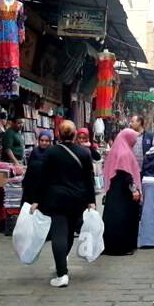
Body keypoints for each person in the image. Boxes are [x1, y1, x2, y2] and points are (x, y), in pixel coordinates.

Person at [32, 121, 96, 288]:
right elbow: (89, 180)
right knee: (68, 234)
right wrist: (91, 201)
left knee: (59, 233)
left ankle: (62, 273)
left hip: (56, 199)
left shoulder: (51, 153)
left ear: (58, 135)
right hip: (77, 199)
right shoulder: (84, 153)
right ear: (74, 135)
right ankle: (62, 264)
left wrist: (37, 200)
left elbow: (42, 178)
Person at [102, 129, 143, 256]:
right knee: (122, 219)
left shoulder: (118, 149)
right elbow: (126, 173)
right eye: (133, 140)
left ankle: (111, 245)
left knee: (113, 219)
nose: (135, 142)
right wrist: (134, 189)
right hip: (123, 193)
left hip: (115, 192)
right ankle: (121, 247)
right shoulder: (124, 152)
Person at [21, 129, 53, 208]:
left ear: (50, 141)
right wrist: (24, 182)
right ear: (38, 140)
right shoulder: (35, 152)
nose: (44, 143)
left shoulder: (52, 153)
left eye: (47, 141)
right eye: (42, 140)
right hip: (31, 185)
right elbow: (29, 168)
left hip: (44, 187)